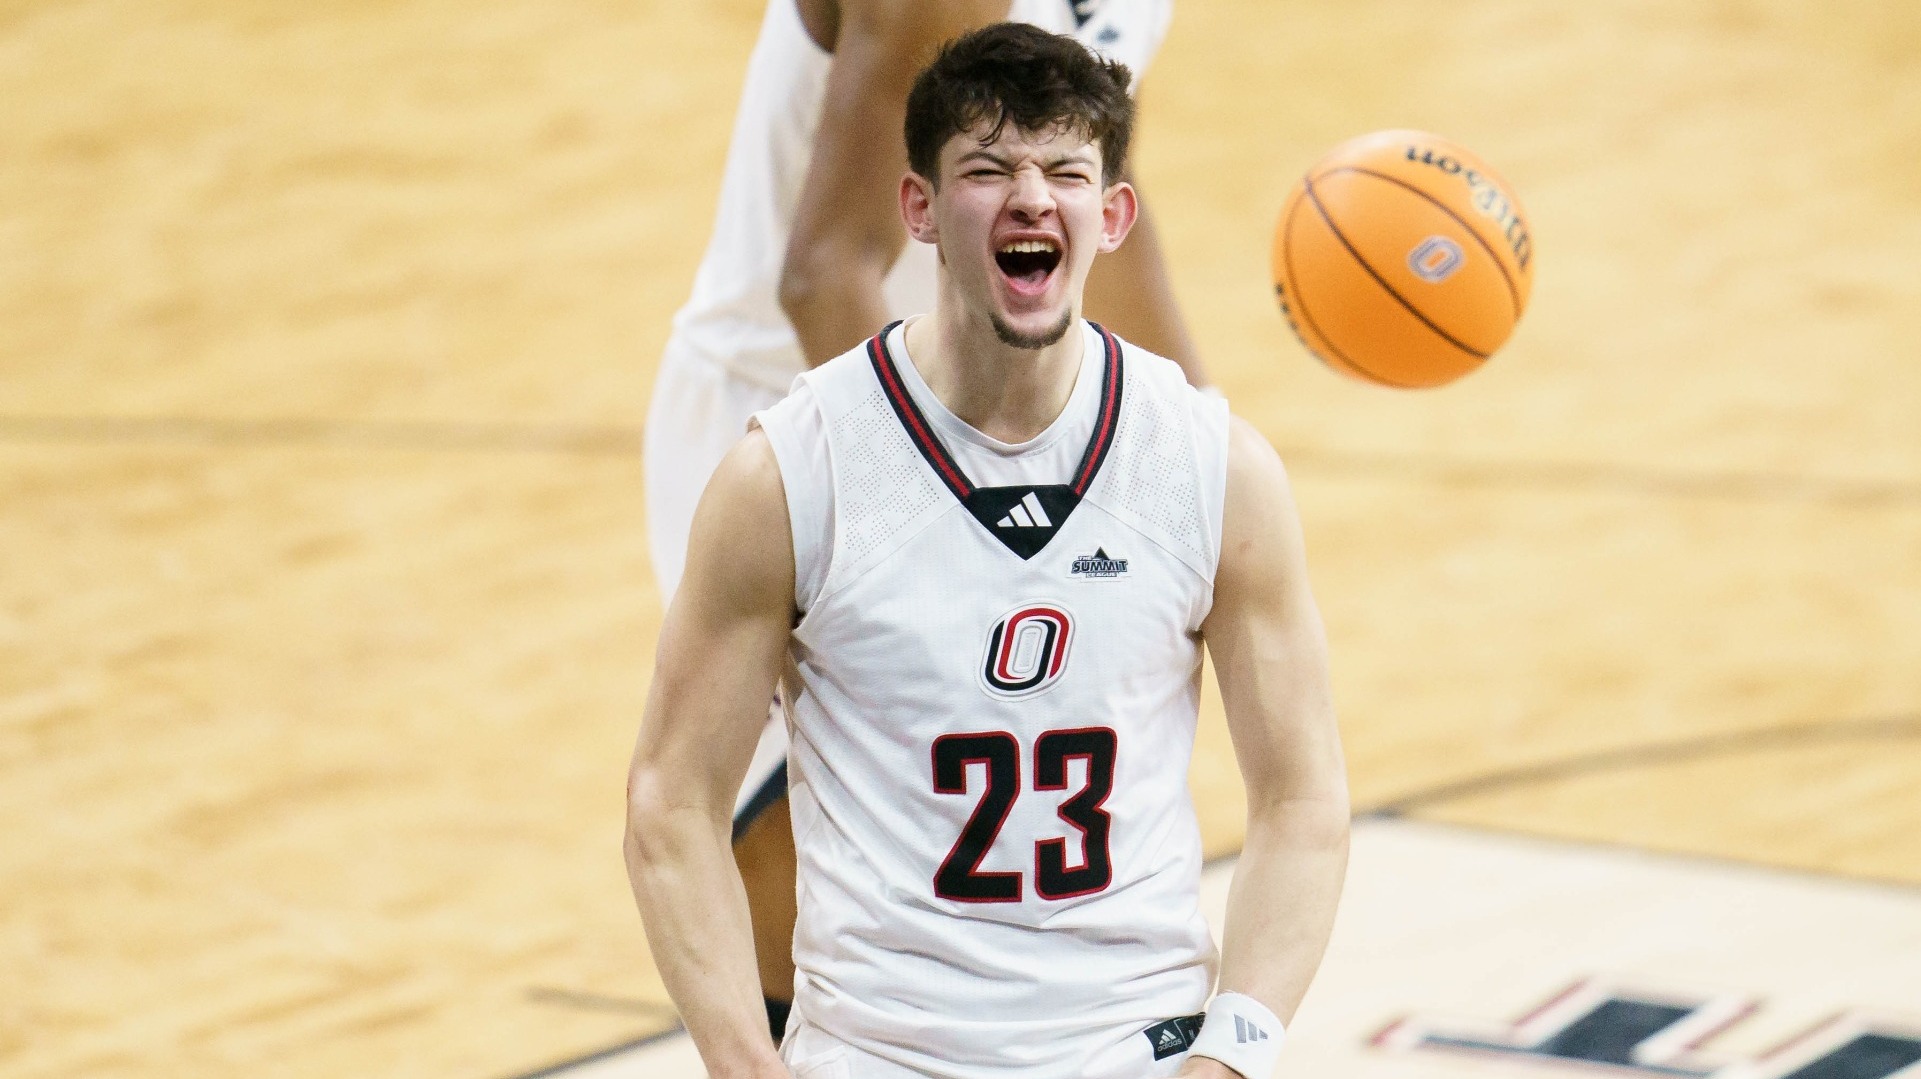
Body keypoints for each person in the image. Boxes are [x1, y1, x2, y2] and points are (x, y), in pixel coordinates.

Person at [626, 23, 1347, 1079]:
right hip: (878, 1054)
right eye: (988, 170)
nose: (1030, 198)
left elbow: (1302, 796)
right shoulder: (783, 477)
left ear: (1111, 210)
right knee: (788, 823)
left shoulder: (1211, 467)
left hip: (1135, 1048)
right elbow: (669, 803)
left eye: (1064, 173)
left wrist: (1230, 1052)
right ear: (916, 205)